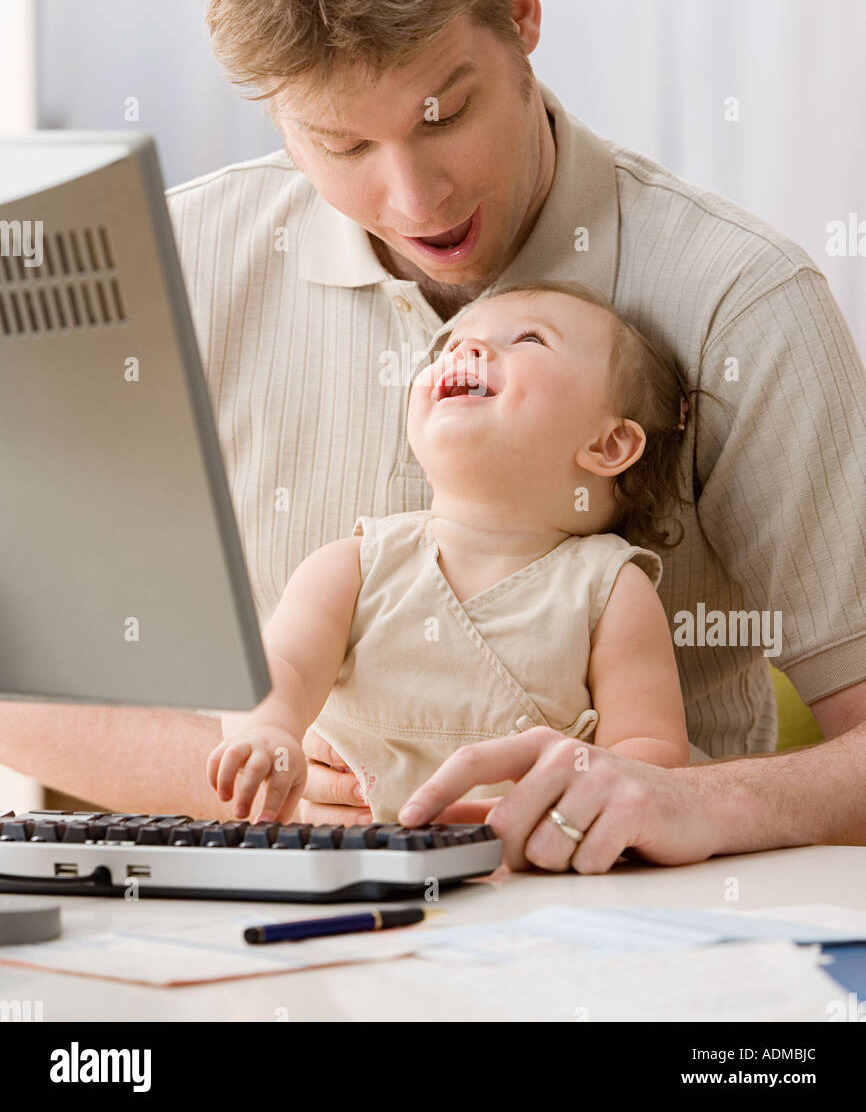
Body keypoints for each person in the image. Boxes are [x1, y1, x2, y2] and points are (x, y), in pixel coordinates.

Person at [3, 0, 865, 875]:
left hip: (639, 953)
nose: (411, 197)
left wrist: (692, 797)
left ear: (522, 13)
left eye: (443, 113)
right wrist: (248, 774)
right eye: (338, 142)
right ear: (275, 112)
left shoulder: (744, 300)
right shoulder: (173, 265)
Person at [206, 282, 694, 826]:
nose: (465, 352)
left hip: (528, 870)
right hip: (354, 863)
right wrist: (267, 733)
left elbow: (648, 755)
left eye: (530, 340)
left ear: (608, 445)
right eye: (451, 346)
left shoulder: (609, 589)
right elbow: (281, 667)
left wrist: (579, 811)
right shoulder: (355, 567)